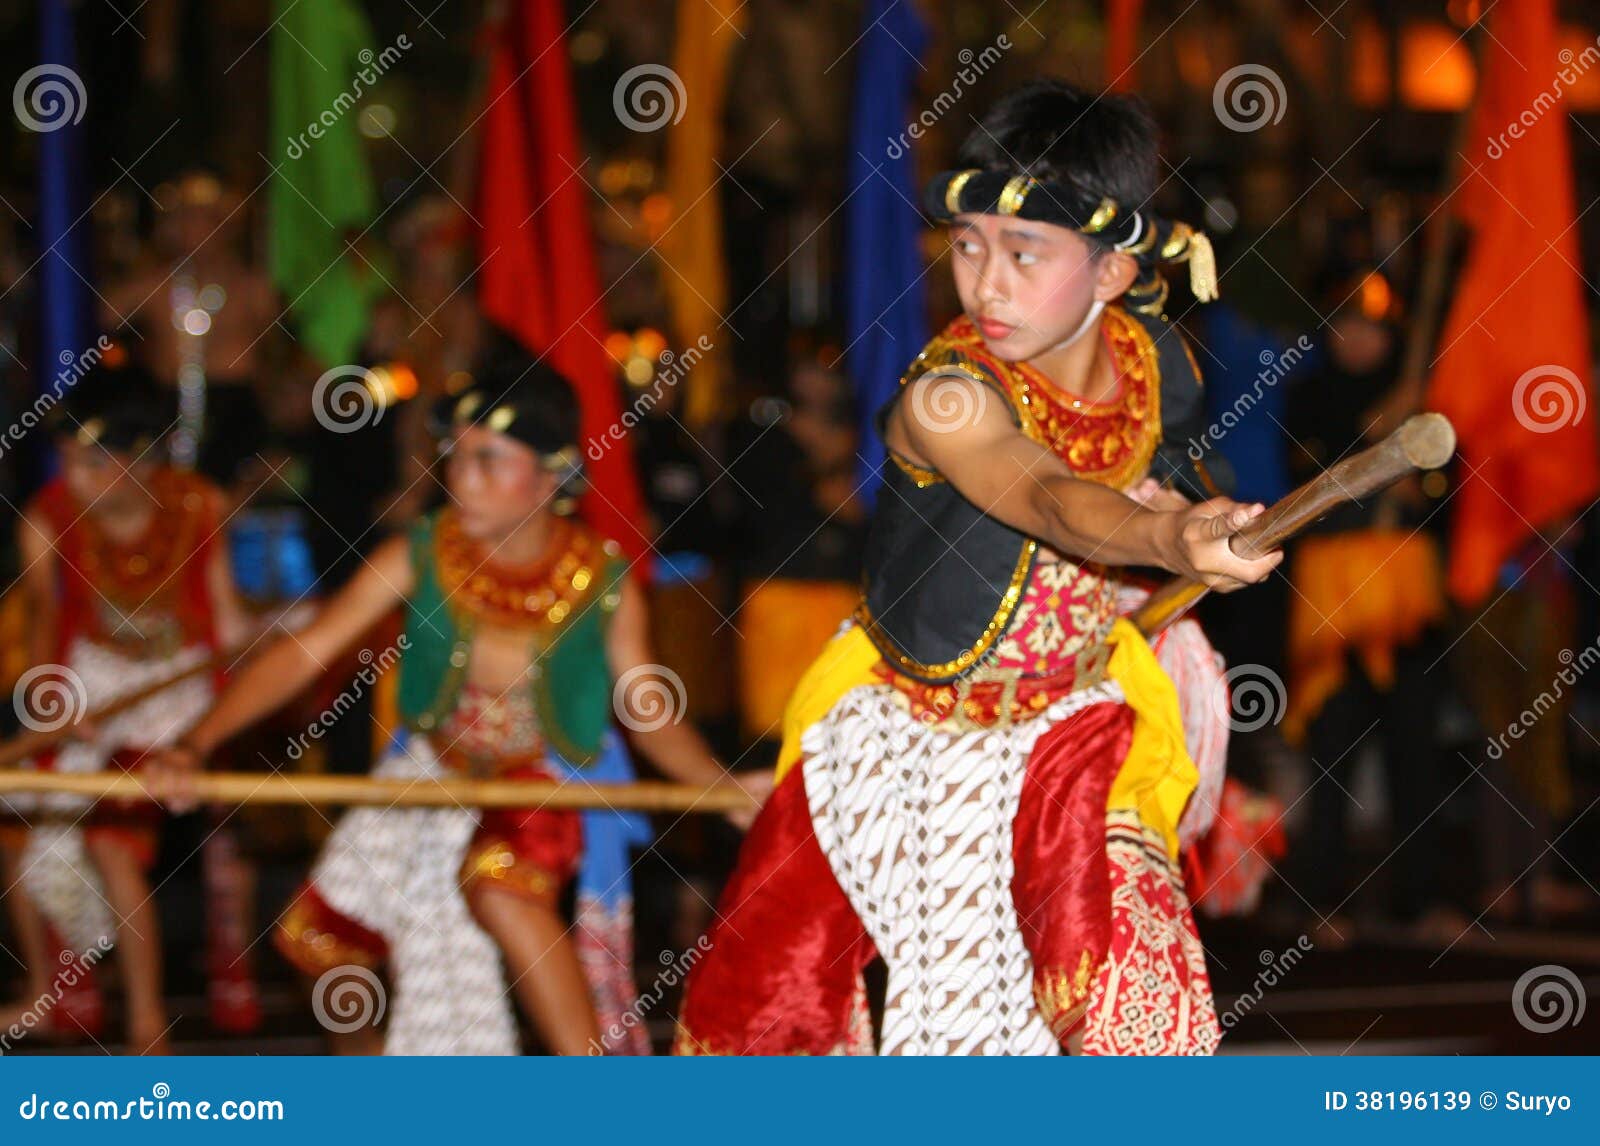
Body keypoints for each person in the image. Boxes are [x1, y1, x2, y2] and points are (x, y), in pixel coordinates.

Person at [675, 79, 1280, 1056]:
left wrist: (1176, 519)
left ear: (1113, 272)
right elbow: (1044, 495)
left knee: (1145, 1014)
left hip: (1082, 717)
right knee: (852, 1024)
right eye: (965, 247)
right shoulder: (948, 399)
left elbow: (1151, 480)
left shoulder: (1154, 361)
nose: (983, 284)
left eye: (1021, 253)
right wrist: (1163, 540)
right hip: (923, 739)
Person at [149, 353, 766, 1055]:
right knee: (319, 941)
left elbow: (647, 706)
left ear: (552, 474)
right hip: (429, 773)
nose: (460, 480)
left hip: (539, 782)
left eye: (489, 460)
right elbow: (304, 654)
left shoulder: (602, 576)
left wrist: (717, 785)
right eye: (457, 457)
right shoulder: (418, 553)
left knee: (500, 890)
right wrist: (194, 745)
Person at [11, 359, 250, 1054]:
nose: (72, 476)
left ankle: (147, 1026)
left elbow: (226, 624)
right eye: (66, 459)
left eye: (90, 461)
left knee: (111, 839)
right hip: (87, 672)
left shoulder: (201, 504)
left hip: (176, 683)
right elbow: (37, 631)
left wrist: (267, 645)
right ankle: (48, 994)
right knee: (24, 823)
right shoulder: (46, 519)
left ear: (138, 462)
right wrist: (54, 699)